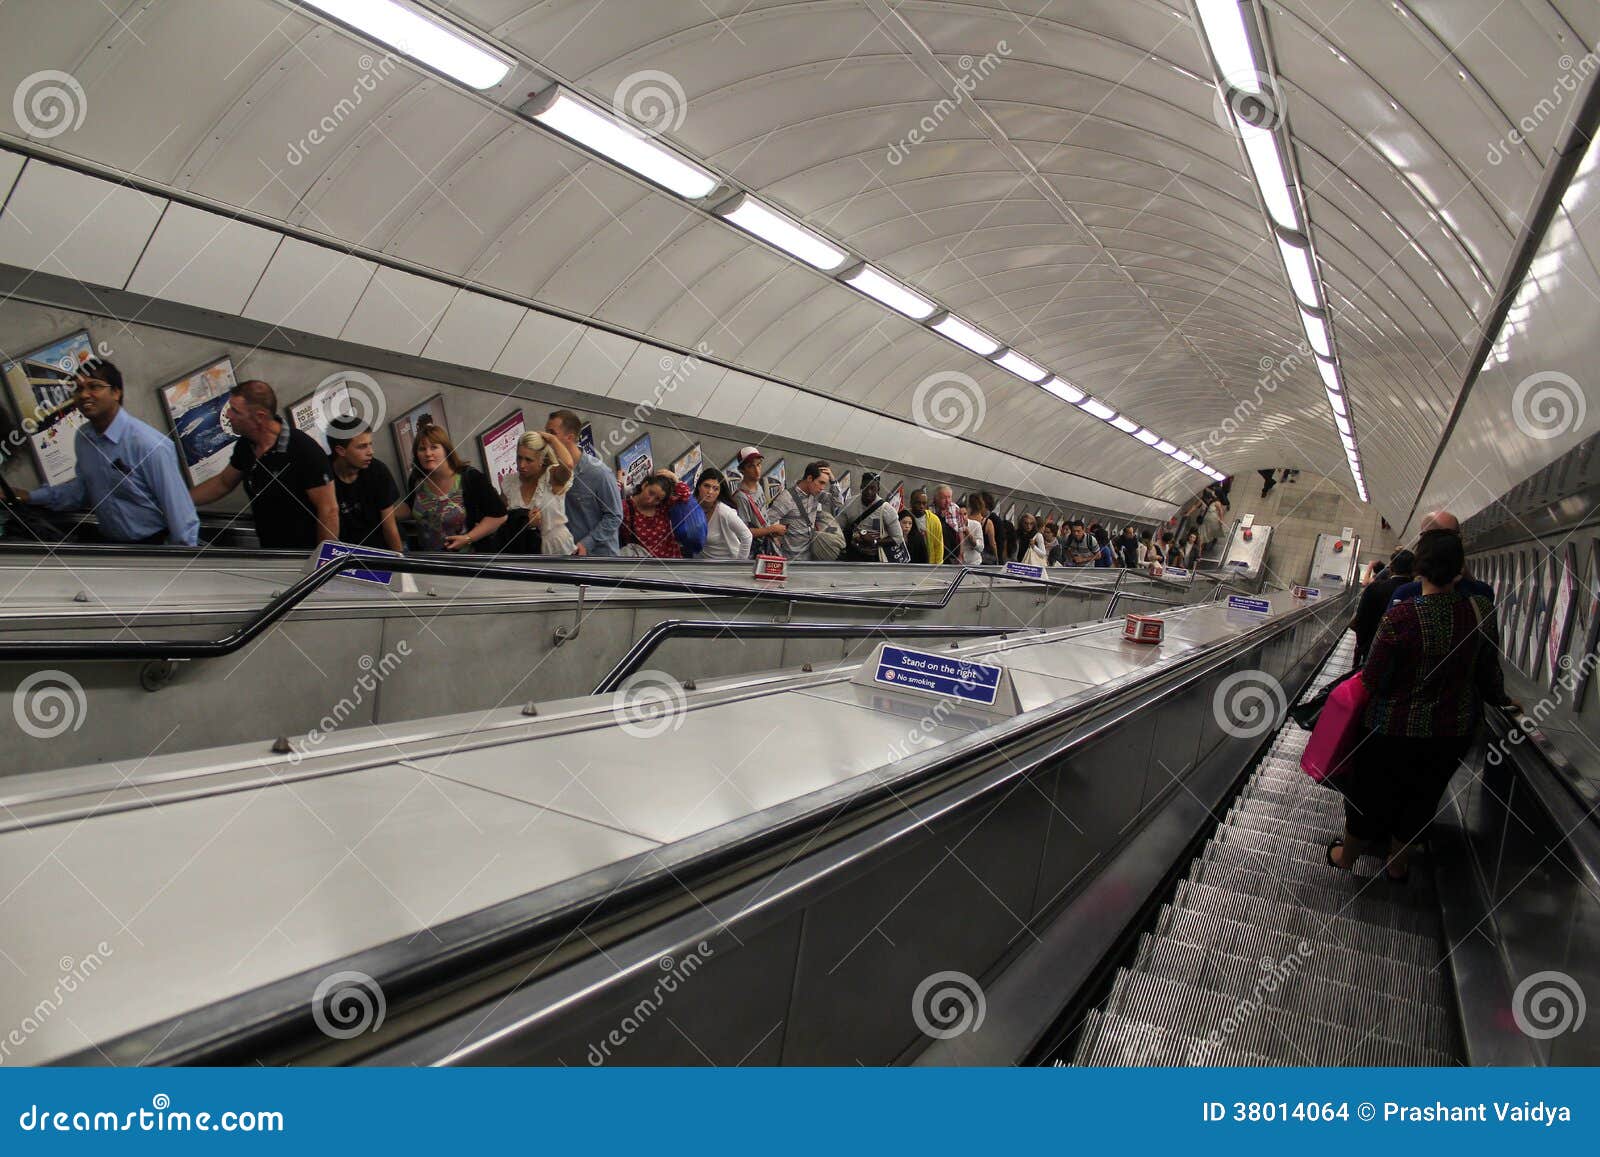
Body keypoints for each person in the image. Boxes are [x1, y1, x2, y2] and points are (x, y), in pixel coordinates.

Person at [1327, 531, 1515, 882]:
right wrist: (1502, 701)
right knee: (1423, 798)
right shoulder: (1481, 612)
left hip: (1390, 728)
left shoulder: (1401, 617)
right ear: (1460, 568)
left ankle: (1346, 857)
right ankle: (1398, 866)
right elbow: (1489, 671)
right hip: (1451, 731)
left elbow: (1374, 679)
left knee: (1369, 794)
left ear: (1419, 568)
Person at [15, 358, 198, 545]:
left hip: (152, 546)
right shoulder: (84, 439)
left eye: (94, 386)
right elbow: (81, 490)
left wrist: (178, 558)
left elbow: (181, 517)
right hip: (111, 547)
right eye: (78, 389)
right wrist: (30, 497)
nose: (84, 395)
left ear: (116, 392)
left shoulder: (149, 445)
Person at [189, 379, 336, 550]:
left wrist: (322, 559)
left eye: (235, 411)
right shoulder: (246, 445)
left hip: (302, 553)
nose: (228, 415)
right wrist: (179, 502)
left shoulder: (303, 450)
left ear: (259, 417)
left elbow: (329, 510)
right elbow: (223, 483)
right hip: (269, 550)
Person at [404, 426, 506, 552]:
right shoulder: (416, 480)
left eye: (434, 447)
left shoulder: (471, 478)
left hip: (468, 557)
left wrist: (468, 538)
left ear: (446, 449)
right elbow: (411, 506)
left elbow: (499, 516)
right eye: (422, 449)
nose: (428, 453)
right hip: (430, 560)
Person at [544, 410, 621, 556]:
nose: (547, 439)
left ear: (570, 437)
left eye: (552, 434)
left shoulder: (599, 473)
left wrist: (587, 543)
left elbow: (614, 516)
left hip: (599, 558)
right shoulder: (549, 470)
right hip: (564, 554)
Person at [326, 415, 403, 552]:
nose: (371, 452)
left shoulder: (378, 471)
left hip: (382, 549)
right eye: (362, 447)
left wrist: (400, 560)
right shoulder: (323, 477)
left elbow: (389, 526)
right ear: (341, 450)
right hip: (347, 554)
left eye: (370, 444)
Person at [500, 430, 574, 556]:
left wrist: (552, 439)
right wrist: (526, 523)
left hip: (558, 550)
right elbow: (501, 518)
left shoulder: (551, 477)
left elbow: (568, 464)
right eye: (519, 457)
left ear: (541, 460)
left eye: (528, 460)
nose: (522, 465)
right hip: (525, 551)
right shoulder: (509, 483)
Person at [1351, 549, 1414, 666]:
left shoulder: (1375, 587)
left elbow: (1361, 618)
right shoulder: (1417, 592)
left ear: (1391, 567)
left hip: (1372, 645)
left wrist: (1362, 645)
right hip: (1404, 655)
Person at [767, 461, 832, 560]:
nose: (822, 488)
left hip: (810, 558)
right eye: (821, 482)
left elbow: (839, 502)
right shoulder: (787, 498)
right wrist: (775, 536)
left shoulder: (816, 494)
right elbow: (766, 523)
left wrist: (833, 480)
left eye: (825, 484)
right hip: (791, 560)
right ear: (809, 478)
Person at [620, 469, 692, 558]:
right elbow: (609, 504)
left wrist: (675, 478)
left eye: (657, 499)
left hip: (672, 560)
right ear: (644, 485)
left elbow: (685, 495)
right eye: (651, 493)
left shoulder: (662, 506)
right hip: (644, 564)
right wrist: (619, 482)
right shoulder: (626, 508)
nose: (650, 500)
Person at [732, 446, 787, 555]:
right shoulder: (740, 497)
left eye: (758, 464)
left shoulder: (758, 486)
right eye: (751, 466)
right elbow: (744, 532)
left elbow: (762, 518)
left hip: (764, 546)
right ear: (742, 470)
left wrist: (772, 534)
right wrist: (771, 529)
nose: (757, 470)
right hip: (753, 552)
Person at [846, 472, 908, 562]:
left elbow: (898, 538)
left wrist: (874, 541)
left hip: (875, 558)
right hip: (852, 554)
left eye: (872, 488)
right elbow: (840, 526)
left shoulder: (887, 509)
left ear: (878, 489)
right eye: (866, 487)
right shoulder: (850, 503)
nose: (869, 492)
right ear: (861, 486)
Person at [695, 468, 753, 561]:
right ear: (698, 486)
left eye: (715, 489)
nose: (710, 492)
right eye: (706, 486)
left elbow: (747, 536)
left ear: (719, 492)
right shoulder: (691, 507)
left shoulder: (724, 512)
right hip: (700, 564)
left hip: (726, 564)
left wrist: (739, 564)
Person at [908, 489, 943, 564]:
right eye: (918, 503)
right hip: (909, 560)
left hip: (928, 562)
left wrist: (938, 565)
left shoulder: (934, 520)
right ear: (911, 503)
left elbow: (939, 545)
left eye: (924, 503)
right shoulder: (905, 517)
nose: (921, 506)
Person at [934, 485, 965, 564]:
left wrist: (961, 554)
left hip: (953, 554)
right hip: (936, 552)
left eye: (949, 497)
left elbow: (961, 533)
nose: (947, 501)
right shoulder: (930, 510)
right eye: (944, 498)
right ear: (936, 498)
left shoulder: (955, 508)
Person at [958, 494, 986, 565]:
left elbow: (980, 548)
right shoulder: (953, 528)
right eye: (960, 515)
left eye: (965, 514)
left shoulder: (976, 525)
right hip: (958, 564)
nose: (963, 517)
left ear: (967, 514)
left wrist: (969, 534)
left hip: (974, 563)